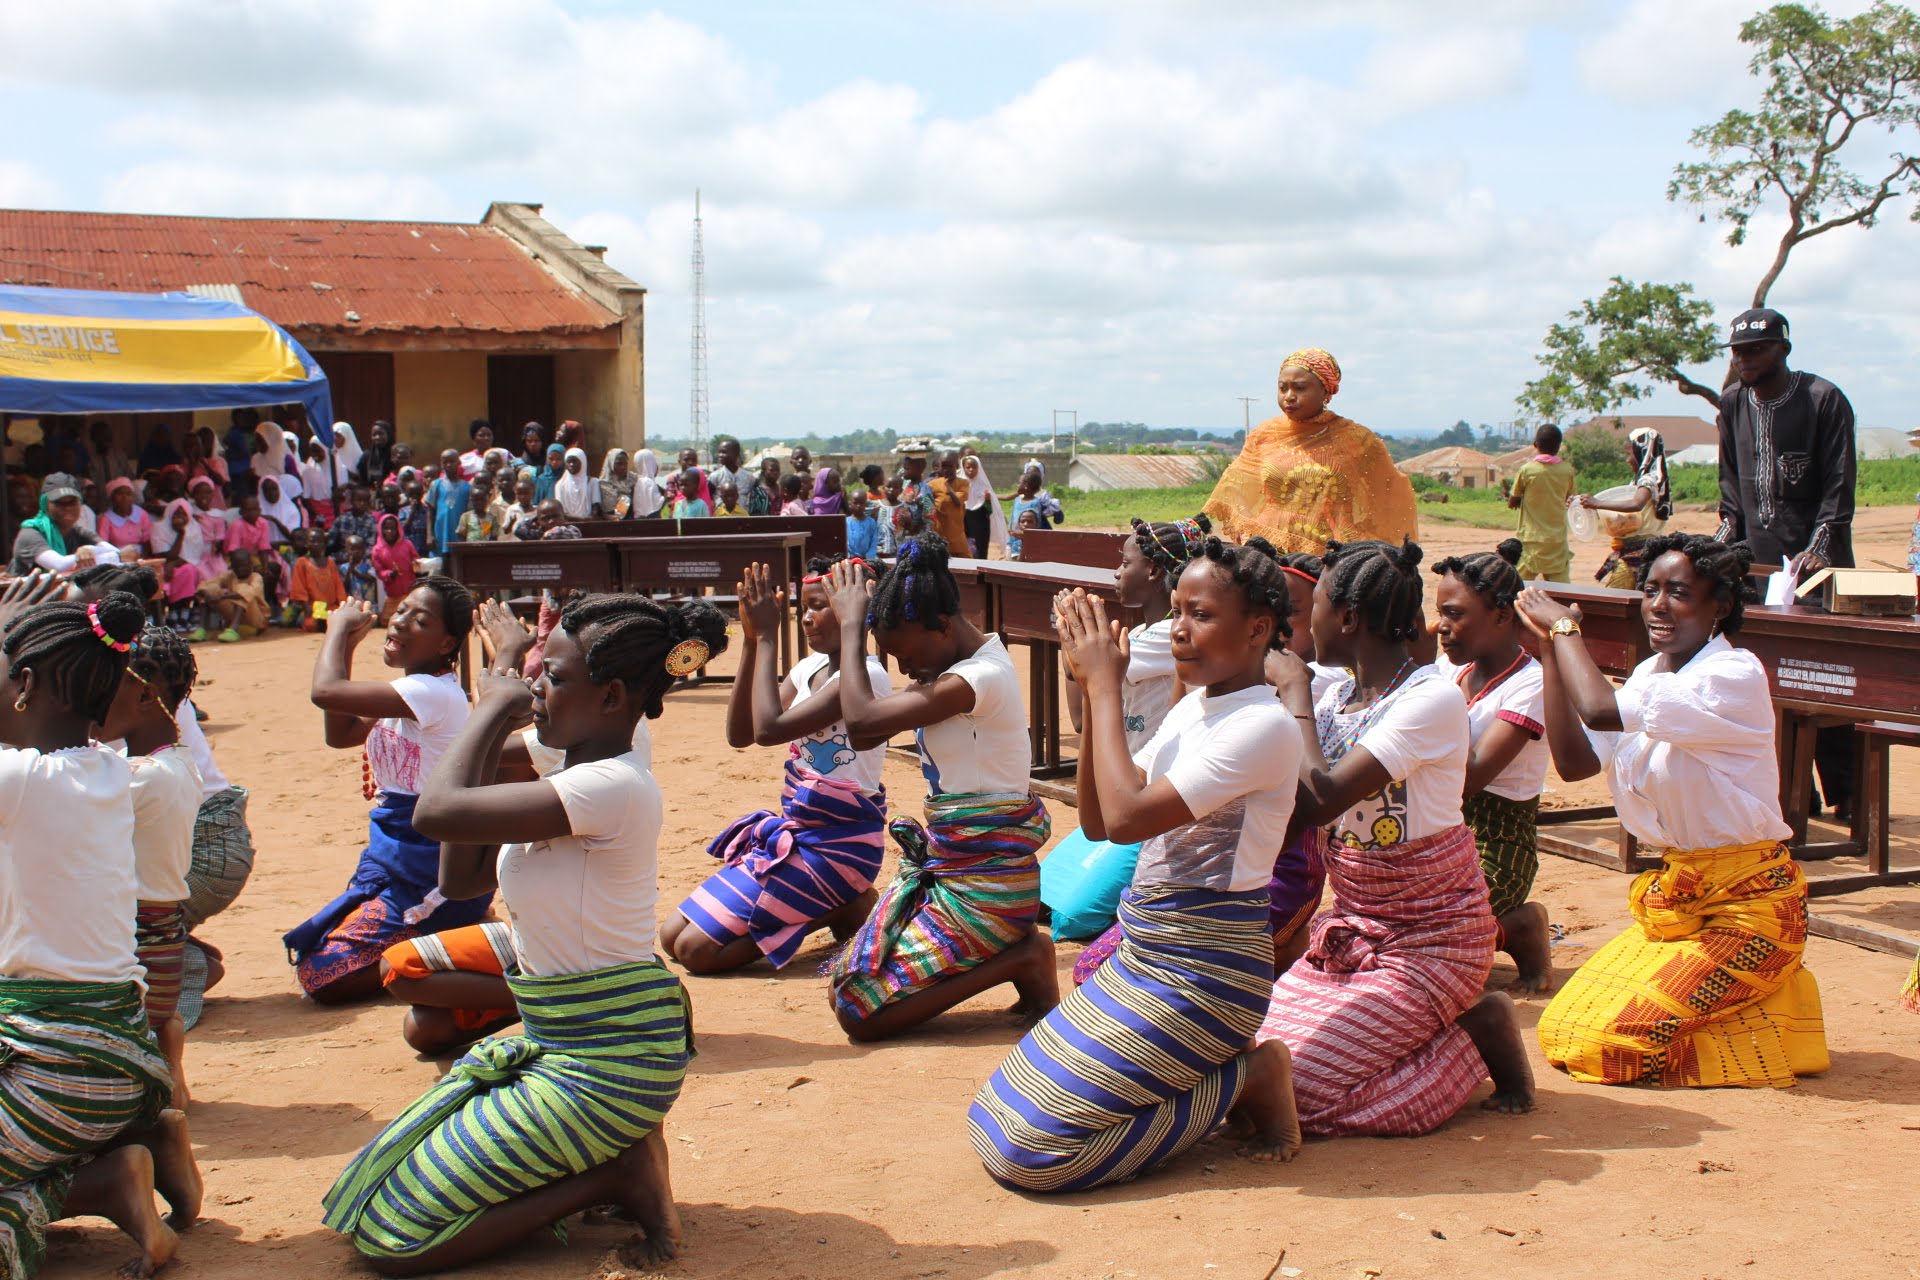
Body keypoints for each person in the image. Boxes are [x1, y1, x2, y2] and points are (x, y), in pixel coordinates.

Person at [322, 593, 722, 1273]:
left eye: (555, 678)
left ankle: (616, 1177)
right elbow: (461, 875)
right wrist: (494, 708)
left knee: (397, 1241)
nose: (536, 688)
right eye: (540, 673)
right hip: (562, 1042)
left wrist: (486, 706)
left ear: (614, 697)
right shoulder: (566, 762)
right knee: (375, 1189)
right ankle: (611, 1157)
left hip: (612, 1061)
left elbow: (437, 809)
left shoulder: (611, 786)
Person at [971, 541, 1303, 1191]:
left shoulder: (1263, 725)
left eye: (1200, 614)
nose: (1179, 628)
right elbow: (1100, 820)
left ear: (1258, 628)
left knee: (1036, 1155)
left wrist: (1101, 686)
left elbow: (1123, 819)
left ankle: (1251, 1078)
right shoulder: (1196, 707)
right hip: (1149, 952)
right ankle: (1225, 1075)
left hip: (1209, 970)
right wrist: (1101, 685)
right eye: (1176, 611)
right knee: (994, 1117)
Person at [1516, 534, 1830, 1088]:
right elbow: (1573, 762)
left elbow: (1597, 707)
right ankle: (1753, 999)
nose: (1658, 606)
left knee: (1611, 1047)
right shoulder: (1650, 677)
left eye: (1679, 593)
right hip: (1682, 903)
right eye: (1650, 590)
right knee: (1561, 1031)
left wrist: (1567, 631)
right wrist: (1548, 653)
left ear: (1721, 607)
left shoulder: (1733, 676)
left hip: (1750, 911)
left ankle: (1770, 1019)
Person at [1256, 538, 1534, 1150]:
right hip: (1357, 931)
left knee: (1300, 1095)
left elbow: (1319, 800)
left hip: (1435, 941)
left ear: (1349, 618)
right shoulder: (1337, 701)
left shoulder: (1428, 700)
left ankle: (1469, 1039)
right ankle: (1445, 1025)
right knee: (1254, 1064)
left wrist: (1293, 693)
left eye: (1317, 607)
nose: (1306, 623)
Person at [0, 582, 200, 1280]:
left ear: (23, 686)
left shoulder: (19, 782)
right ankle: (127, 1152)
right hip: (112, 1055)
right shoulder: (109, 771)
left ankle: (101, 1184)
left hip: (57, 1069)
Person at [821, 535, 1054, 1041]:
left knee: (860, 1014)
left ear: (943, 626)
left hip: (990, 889)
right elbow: (872, 725)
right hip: (957, 874)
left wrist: (849, 629)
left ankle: (1023, 957)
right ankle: (1012, 954)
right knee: (847, 983)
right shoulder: (949, 669)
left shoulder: (978, 678)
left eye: (904, 654)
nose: (904, 670)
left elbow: (861, 724)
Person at [664, 560, 893, 973]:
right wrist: (752, 640)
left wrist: (770, 636)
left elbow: (769, 731)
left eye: (819, 606)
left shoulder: (867, 678)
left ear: (852, 606)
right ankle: (842, 904)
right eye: (802, 607)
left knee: (697, 953)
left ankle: (837, 908)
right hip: (798, 835)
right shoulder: (809, 669)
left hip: (841, 846)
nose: (805, 618)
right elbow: (742, 734)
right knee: (669, 936)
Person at [286, 581, 492, 1004]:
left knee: (321, 975)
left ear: (447, 642)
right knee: (319, 942)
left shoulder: (432, 693)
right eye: (401, 611)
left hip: (427, 867)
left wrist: (338, 631)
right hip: (392, 856)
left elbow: (325, 693)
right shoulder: (412, 690)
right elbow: (340, 733)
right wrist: (344, 648)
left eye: (420, 620)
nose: (399, 621)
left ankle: (454, 932)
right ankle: (450, 931)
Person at [1714, 307, 1857, 821]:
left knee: (1826, 681)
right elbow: (1732, 494)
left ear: (1783, 349)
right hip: (1755, 571)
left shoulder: (1823, 399)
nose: (1746, 360)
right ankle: (1793, 795)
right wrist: (1721, 545)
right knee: (1765, 683)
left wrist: (1818, 552)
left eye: (1756, 349)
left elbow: (1839, 491)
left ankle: (1847, 793)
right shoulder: (1732, 404)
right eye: (1738, 351)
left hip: (1819, 570)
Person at [1042, 516, 1200, 945]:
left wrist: (1072, 632)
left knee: (1070, 918)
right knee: (1044, 895)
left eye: (1124, 562)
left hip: (1147, 800)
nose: (1116, 572)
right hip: (1123, 788)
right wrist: (1072, 640)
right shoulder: (1142, 635)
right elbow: (1081, 710)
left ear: (1152, 571)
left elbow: (1086, 671)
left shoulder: (1165, 637)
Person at [1431, 541, 1553, 993]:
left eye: (1455, 614)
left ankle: (1518, 927)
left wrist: (1432, 712)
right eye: (1440, 613)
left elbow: (1467, 779)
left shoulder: (1530, 685)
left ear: (1503, 617)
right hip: (1441, 833)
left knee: (1435, 938)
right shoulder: (1450, 670)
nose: (1442, 627)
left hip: (1497, 844)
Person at [98, 624, 202, 1103]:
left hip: (130, 933)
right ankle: (171, 1062)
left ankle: (155, 1098)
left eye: (102, 686)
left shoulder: (133, 779)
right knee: (157, 1013)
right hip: (166, 934)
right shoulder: (179, 763)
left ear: (144, 696)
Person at [1204, 348, 1418, 555]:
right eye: (1282, 388)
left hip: (1331, 551)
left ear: (1326, 390)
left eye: (1300, 388)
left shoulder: (1358, 440)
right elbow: (1237, 488)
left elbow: (1389, 493)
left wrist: (1364, 540)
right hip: (1266, 545)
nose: (1289, 396)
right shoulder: (1264, 435)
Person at [1585, 427, 1671, 589]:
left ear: (1642, 452)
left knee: (1614, 603)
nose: (1627, 460)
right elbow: (1623, 515)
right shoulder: (1640, 482)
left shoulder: (1650, 480)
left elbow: (1635, 504)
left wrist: (1597, 503)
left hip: (1638, 553)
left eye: (1629, 454)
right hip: (1635, 549)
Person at [8, 474, 122, 576]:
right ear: (45, 504)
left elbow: (117, 554)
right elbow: (59, 565)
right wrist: (82, 557)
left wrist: (88, 549)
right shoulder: (30, 533)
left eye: (72, 502)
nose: (67, 508)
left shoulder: (79, 532)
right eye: (58, 503)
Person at [1504, 425, 1576, 582]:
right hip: (1557, 540)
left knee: (1519, 586)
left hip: (1531, 539)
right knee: (1562, 589)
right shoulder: (1567, 470)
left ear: (1535, 444)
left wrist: (1516, 500)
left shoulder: (1527, 470)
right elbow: (1570, 499)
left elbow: (1513, 500)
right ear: (1559, 446)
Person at [199, 549, 272, 642]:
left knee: (242, 592)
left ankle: (233, 629)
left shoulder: (256, 577)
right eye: (237, 566)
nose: (240, 569)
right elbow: (208, 584)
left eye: (244, 565)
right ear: (231, 566)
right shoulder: (230, 576)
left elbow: (246, 593)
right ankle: (202, 630)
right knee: (210, 590)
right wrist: (208, 593)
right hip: (236, 618)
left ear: (251, 564)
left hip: (255, 621)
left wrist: (223, 596)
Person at [289, 528, 348, 631]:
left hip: (331, 606)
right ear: (307, 543)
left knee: (344, 619)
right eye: (312, 541)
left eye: (319, 541)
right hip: (313, 607)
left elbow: (338, 586)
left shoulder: (330, 562)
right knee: (310, 624)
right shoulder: (301, 562)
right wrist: (307, 607)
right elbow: (299, 588)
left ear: (324, 543)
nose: (316, 544)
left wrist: (342, 604)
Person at [370, 516, 418, 624]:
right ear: (381, 530)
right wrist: (390, 574)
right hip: (393, 595)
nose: (390, 531)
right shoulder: (377, 550)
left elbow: (415, 559)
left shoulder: (407, 544)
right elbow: (379, 571)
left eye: (393, 528)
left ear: (398, 529)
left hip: (409, 592)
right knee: (386, 621)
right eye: (386, 528)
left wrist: (416, 565)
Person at [960, 454, 1007, 558]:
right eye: (968, 467)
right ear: (963, 468)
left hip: (981, 526)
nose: (971, 470)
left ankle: (980, 574)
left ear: (979, 468)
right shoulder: (959, 485)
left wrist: (987, 500)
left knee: (980, 552)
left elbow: (989, 511)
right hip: (964, 524)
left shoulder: (984, 486)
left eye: (974, 467)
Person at [424, 451, 469, 555]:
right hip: (440, 533)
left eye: (452, 461)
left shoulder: (467, 487)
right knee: (439, 565)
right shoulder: (436, 485)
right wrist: (430, 535)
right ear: (441, 464)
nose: (448, 465)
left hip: (458, 534)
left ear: (459, 463)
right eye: (445, 462)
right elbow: (430, 511)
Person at [928, 450, 970, 552]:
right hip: (938, 536)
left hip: (957, 535)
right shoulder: (932, 485)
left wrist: (949, 489)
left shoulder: (963, 483)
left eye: (950, 466)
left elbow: (958, 501)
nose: (946, 470)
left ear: (957, 466)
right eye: (944, 466)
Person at [554, 447, 598, 521]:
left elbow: (596, 508)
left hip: (589, 524)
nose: (571, 464)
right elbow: (560, 511)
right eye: (569, 462)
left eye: (575, 461)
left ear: (583, 462)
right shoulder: (560, 485)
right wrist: (581, 520)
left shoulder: (592, 482)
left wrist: (590, 519)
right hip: (567, 524)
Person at [599, 448, 637, 519]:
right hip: (609, 524)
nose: (623, 467)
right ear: (611, 463)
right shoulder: (602, 484)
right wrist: (608, 517)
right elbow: (598, 510)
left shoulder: (633, 479)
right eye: (619, 464)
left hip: (630, 522)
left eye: (625, 464)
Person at [631, 449, 668, 518]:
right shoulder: (648, 482)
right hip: (650, 523)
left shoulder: (638, 481)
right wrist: (666, 496)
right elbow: (656, 505)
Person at [845, 489, 880, 560]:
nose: (858, 506)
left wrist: (867, 556)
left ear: (865, 504)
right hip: (850, 559)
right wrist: (849, 556)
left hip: (867, 560)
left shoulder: (871, 522)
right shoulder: (845, 522)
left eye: (861, 503)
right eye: (855, 503)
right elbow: (843, 543)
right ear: (850, 504)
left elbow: (874, 542)